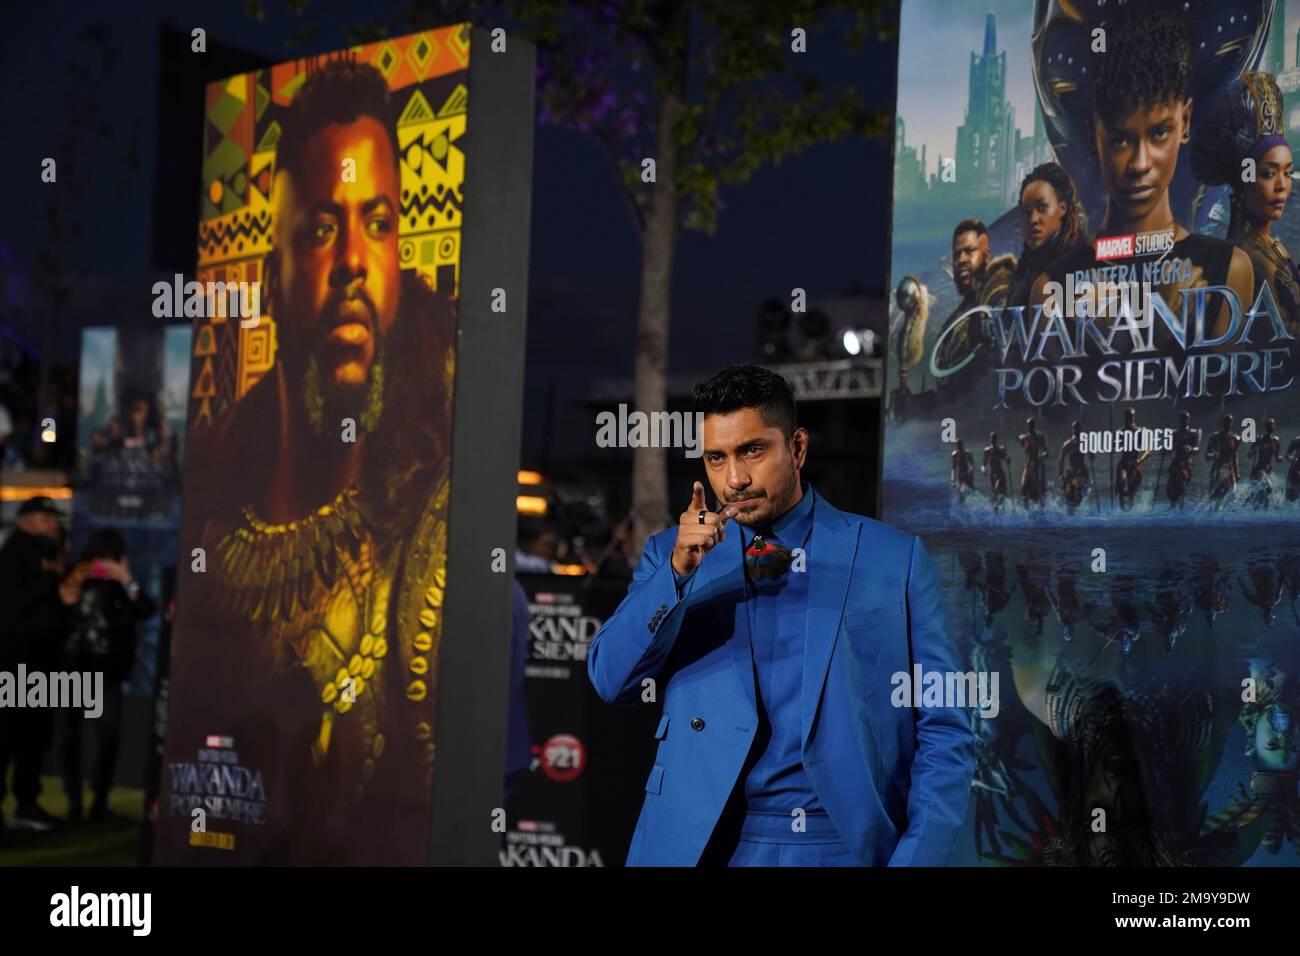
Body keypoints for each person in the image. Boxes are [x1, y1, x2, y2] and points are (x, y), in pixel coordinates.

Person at [163, 59, 455, 864]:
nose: (355, 260)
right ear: (271, 275)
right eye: (323, 229)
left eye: (380, 223)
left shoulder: (435, 504)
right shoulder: (219, 495)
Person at [587, 365, 974, 866]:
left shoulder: (894, 559)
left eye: (752, 450)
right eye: (716, 458)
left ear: (797, 447)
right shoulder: (672, 556)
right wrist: (679, 575)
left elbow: (946, 729)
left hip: (845, 844)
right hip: (706, 844)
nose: (735, 479)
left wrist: (915, 860)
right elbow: (609, 680)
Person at [1031, 7, 1253, 358]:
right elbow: (1054, 410)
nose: (1140, 164)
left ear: (1185, 120)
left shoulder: (1229, 270)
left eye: (1159, 132)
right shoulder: (1051, 288)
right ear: (1095, 134)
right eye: (1121, 140)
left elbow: (1217, 409)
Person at [1191, 72, 1300, 336]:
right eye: (1268, 173)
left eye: (1287, 172)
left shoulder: (1270, 246)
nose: (1282, 186)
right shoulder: (1243, 259)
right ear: (1245, 182)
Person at [60, 528, 155, 822]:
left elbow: (146, 609)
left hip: (101, 671)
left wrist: (126, 579)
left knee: (104, 737)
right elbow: (59, 612)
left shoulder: (119, 587)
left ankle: (95, 801)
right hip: (80, 668)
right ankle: (77, 803)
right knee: (74, 738)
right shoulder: (76, 578)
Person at [0, 496, 81, 831]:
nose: (52, 523)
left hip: (44, 661)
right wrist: (51, 581)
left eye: (53, 518)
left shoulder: (51, 554)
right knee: (6, 736)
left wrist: (64, 598)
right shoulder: (14, 554)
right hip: (14, 662)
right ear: (25, 520)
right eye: (45, 517)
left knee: (35, 737)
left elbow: (53, 612)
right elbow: (12, 607)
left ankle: (27, 805)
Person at [931, 220, 1014, 396]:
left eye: (969, 251)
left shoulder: (999, 291)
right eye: (957, 254)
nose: (961, 260)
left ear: (986, 257)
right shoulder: (962, 312)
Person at [1006, 163, 1090, 308]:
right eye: (1027, 213)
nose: (1033, 219)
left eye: (1042, 207)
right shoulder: (1025, 266)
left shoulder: (1080, 262)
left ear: (1062, 208)